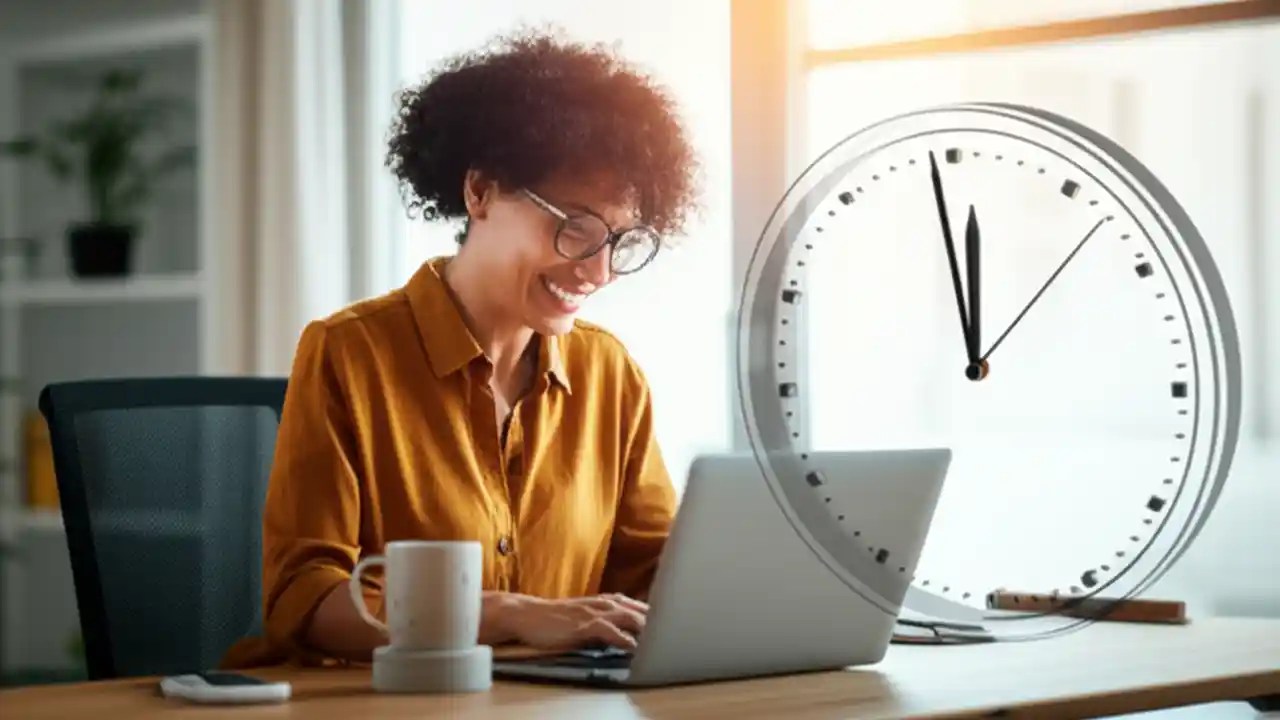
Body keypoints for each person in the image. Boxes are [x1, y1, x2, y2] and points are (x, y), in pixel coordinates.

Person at [221, 27, 700, 669]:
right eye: (576, 228)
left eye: (620, 241)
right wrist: (511, 615)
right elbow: (303, 602)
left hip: (549, 706)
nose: (599, 270)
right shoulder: (349, 354)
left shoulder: (610, 374)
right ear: (480, 193)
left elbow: (655, 574)